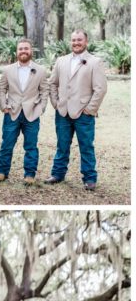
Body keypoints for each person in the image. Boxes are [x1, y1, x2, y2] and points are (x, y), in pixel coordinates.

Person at [47, 30, 107, 189]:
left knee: (86, 146)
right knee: (62, 145)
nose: (76, 43)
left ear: (86, 42)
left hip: (83, 113)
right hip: (63, 112)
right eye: (73, 40)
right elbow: (52, 83)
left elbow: (100, 89)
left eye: (79, 40)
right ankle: (57, 174)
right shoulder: (61, 61)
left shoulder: (95, 62)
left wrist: (90, 109)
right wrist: (55, 103)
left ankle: (90, 179)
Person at [0, 40, 49, 182]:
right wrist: (3, 105)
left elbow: (44, 90)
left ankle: (29, 174)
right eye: (20, 49)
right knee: (7, 144)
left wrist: (41, 108)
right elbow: (2, 89)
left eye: (26, 49)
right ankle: (2, 172)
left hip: (32, 113)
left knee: (31, 146)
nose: (23, 51)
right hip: (12, 112)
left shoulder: (40, 70)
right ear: (16, 51)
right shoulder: (8, 70)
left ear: (31, 51)